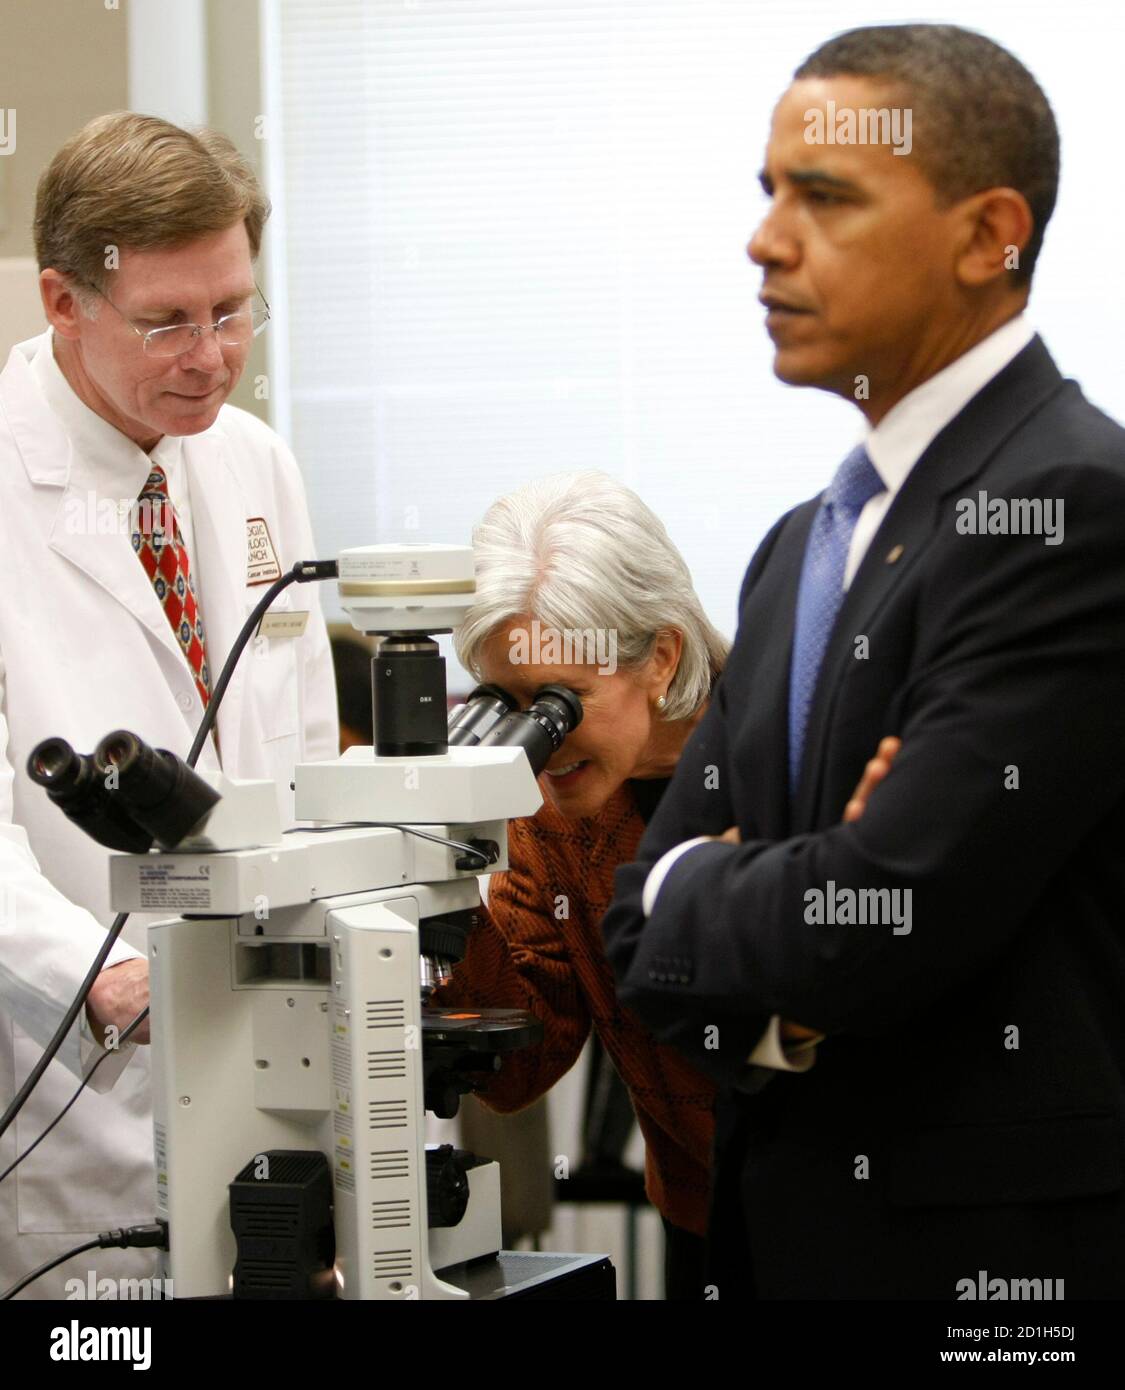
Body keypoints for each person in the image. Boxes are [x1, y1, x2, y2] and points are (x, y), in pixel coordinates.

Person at [603, 22, 1125, 1300]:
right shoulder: (804, 547)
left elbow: (885, 911)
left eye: (825, 198)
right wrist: (766, 916)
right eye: (769, 192)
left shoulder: (1066, 507)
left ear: (988, 234)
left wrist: (708, 887)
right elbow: (630, 923)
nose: (765, 240)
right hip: (784, 1242)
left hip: (989, 1274)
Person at [0, 112, 338, 1297]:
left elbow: (302, 755)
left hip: (274, 1054)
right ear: (62, 299)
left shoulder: (253, 464)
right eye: (168, 322)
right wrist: (93, 975)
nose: (212, 355)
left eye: (233, 309)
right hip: (71, 1088)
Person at [432, 470, 894, 1298]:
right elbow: (518, 1067)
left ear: (661, 656)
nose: (538, 742)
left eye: (560, 700)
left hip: (876, 1207)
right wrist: (443, 890)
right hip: (707, 1213)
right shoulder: (552, 809)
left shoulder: (802, 751)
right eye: (506, 701)